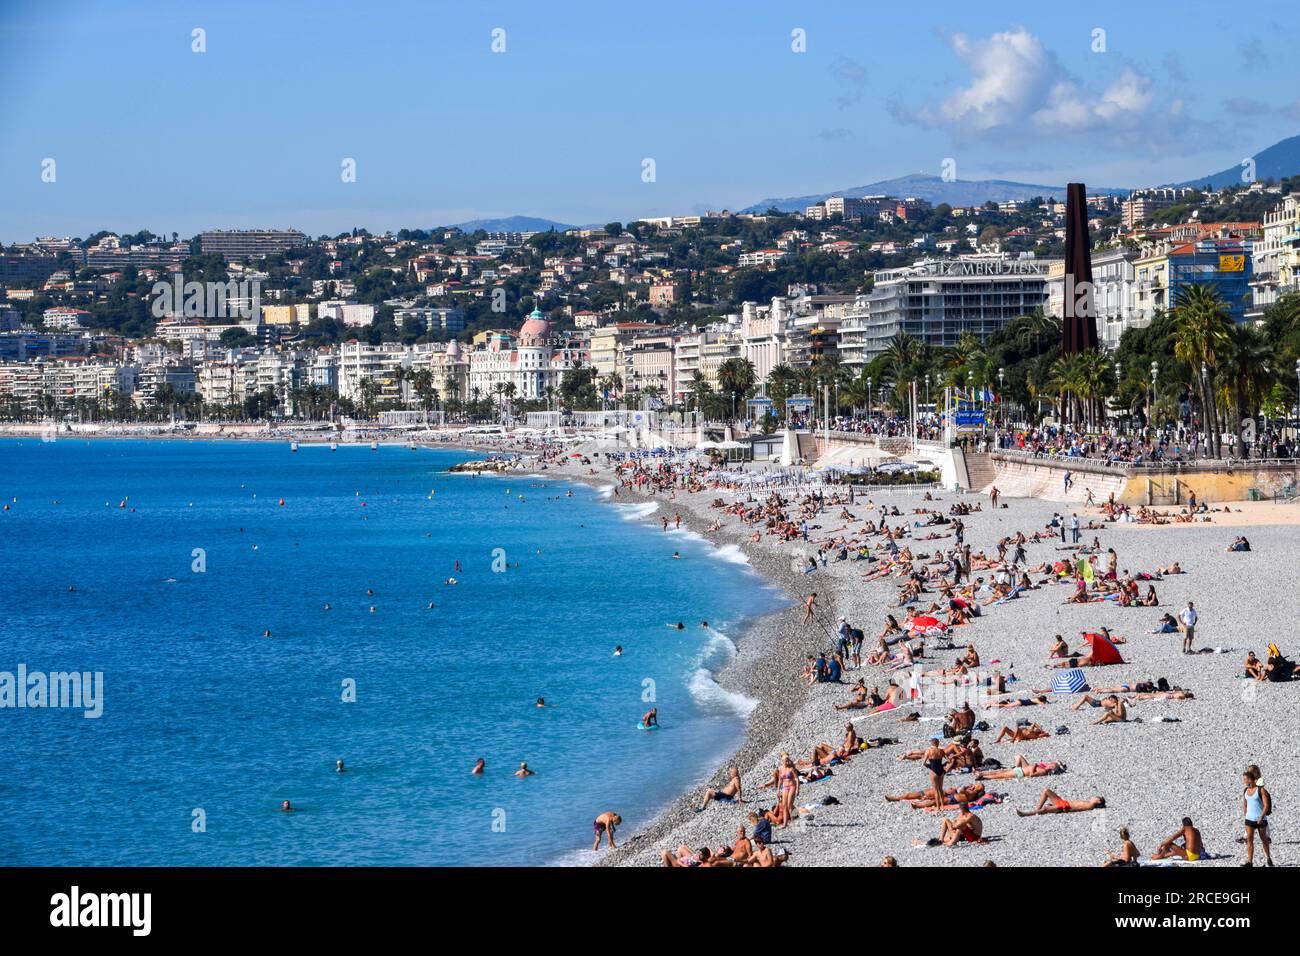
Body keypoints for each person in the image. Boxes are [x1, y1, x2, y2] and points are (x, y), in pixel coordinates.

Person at [1242, 766, 1274, 867]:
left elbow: (1266, 805)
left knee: (1264, 840)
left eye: (1245, 779)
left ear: (1251, 779)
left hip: (1260, 819)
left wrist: (1261, 816)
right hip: (1249, 819)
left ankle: (1269, 859)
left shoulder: (1261, 790)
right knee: (1249, 841)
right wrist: (1246, 815)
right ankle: (1250, 862)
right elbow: (1245, 804)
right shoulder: (1245, 791)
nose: (1244, 781)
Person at [1016, 789, 1106, 816]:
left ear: (1098, 801)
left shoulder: (1090, 805)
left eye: (1096, 797)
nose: (1094, 796)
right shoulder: (1089, 803)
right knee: (1046, 791)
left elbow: (1077, 809)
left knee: (1046, 809)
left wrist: (1065, 810)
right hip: (1063, 802)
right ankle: (1036, 810)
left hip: (1064, 807)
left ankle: (1026, 814)